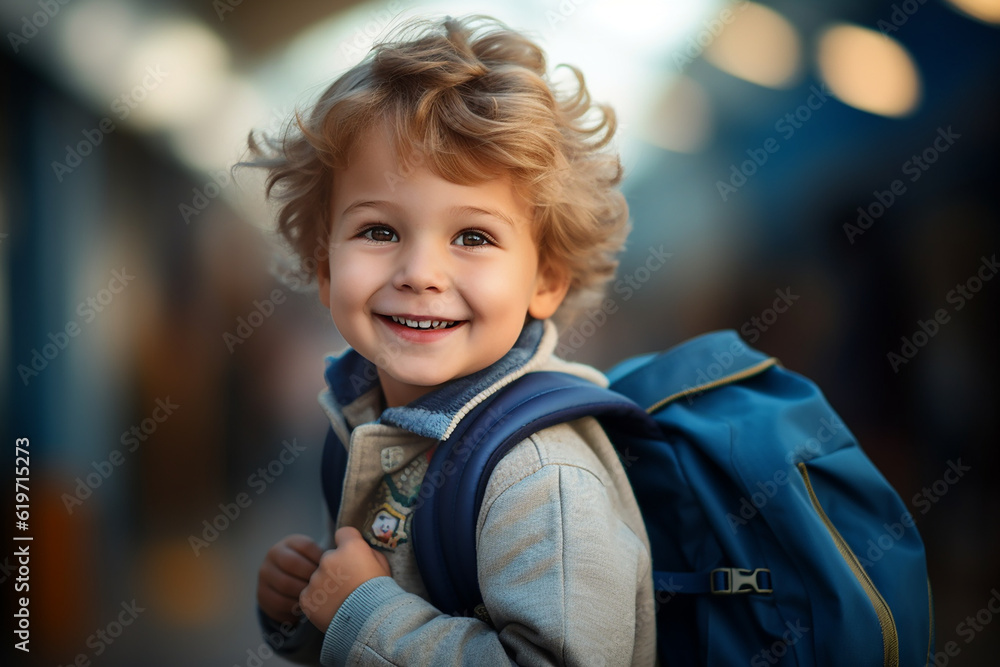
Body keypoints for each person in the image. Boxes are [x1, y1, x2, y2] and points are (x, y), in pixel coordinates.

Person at [248, 14, 655, 666]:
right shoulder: (364, 419)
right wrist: (303, 611)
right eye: (380, 230)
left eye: (473, 236)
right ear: (325, 268)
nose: (419, 274)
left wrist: (363, 609)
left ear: (545, 278)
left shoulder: (540, 476)